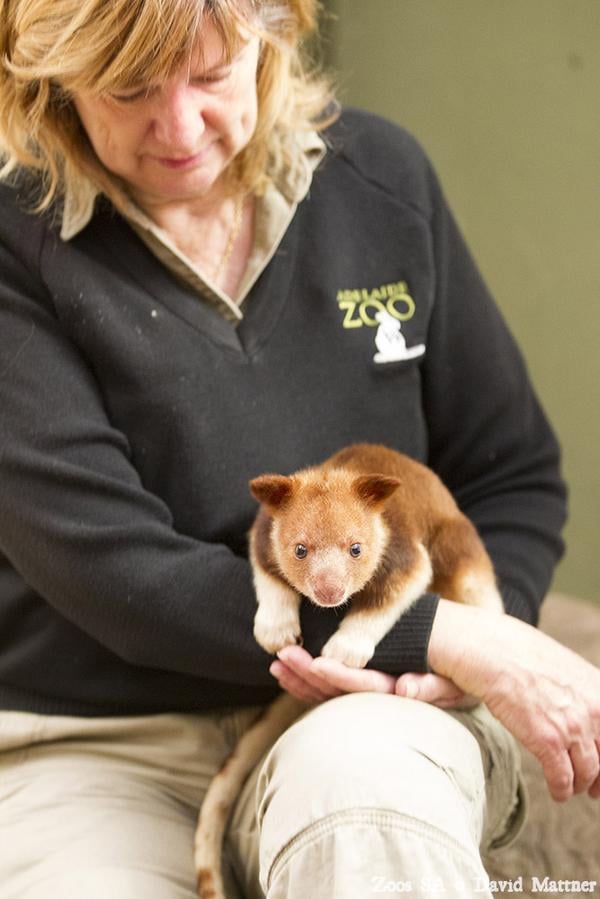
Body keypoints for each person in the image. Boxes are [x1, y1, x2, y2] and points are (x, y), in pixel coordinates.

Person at [0, 1, 597, 897]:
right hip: (101, 746)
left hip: (368, 710)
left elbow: (509, 473)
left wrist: (481, 630)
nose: (180, 126)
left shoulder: (382, 181)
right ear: (53, 74)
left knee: (368, 809)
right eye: (128, 90)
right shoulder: (16, 237)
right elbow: (119, 576)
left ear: (270, 37)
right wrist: (440, 635)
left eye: (211, 75)